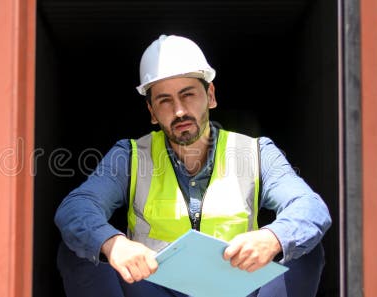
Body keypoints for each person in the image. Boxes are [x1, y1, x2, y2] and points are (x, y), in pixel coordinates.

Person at [55, 34, 331, 297]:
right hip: (156, 288)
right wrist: (114, 243)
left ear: (210, 95)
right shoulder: (129, 155)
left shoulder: (256, 152)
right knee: (78, 248)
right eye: (164, 100)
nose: (179, 111)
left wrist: (272, 237)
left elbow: (309, 207)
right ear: (152, 112)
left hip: (237, 288)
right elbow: (76, 208)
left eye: (188, 95)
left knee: (306, 246)